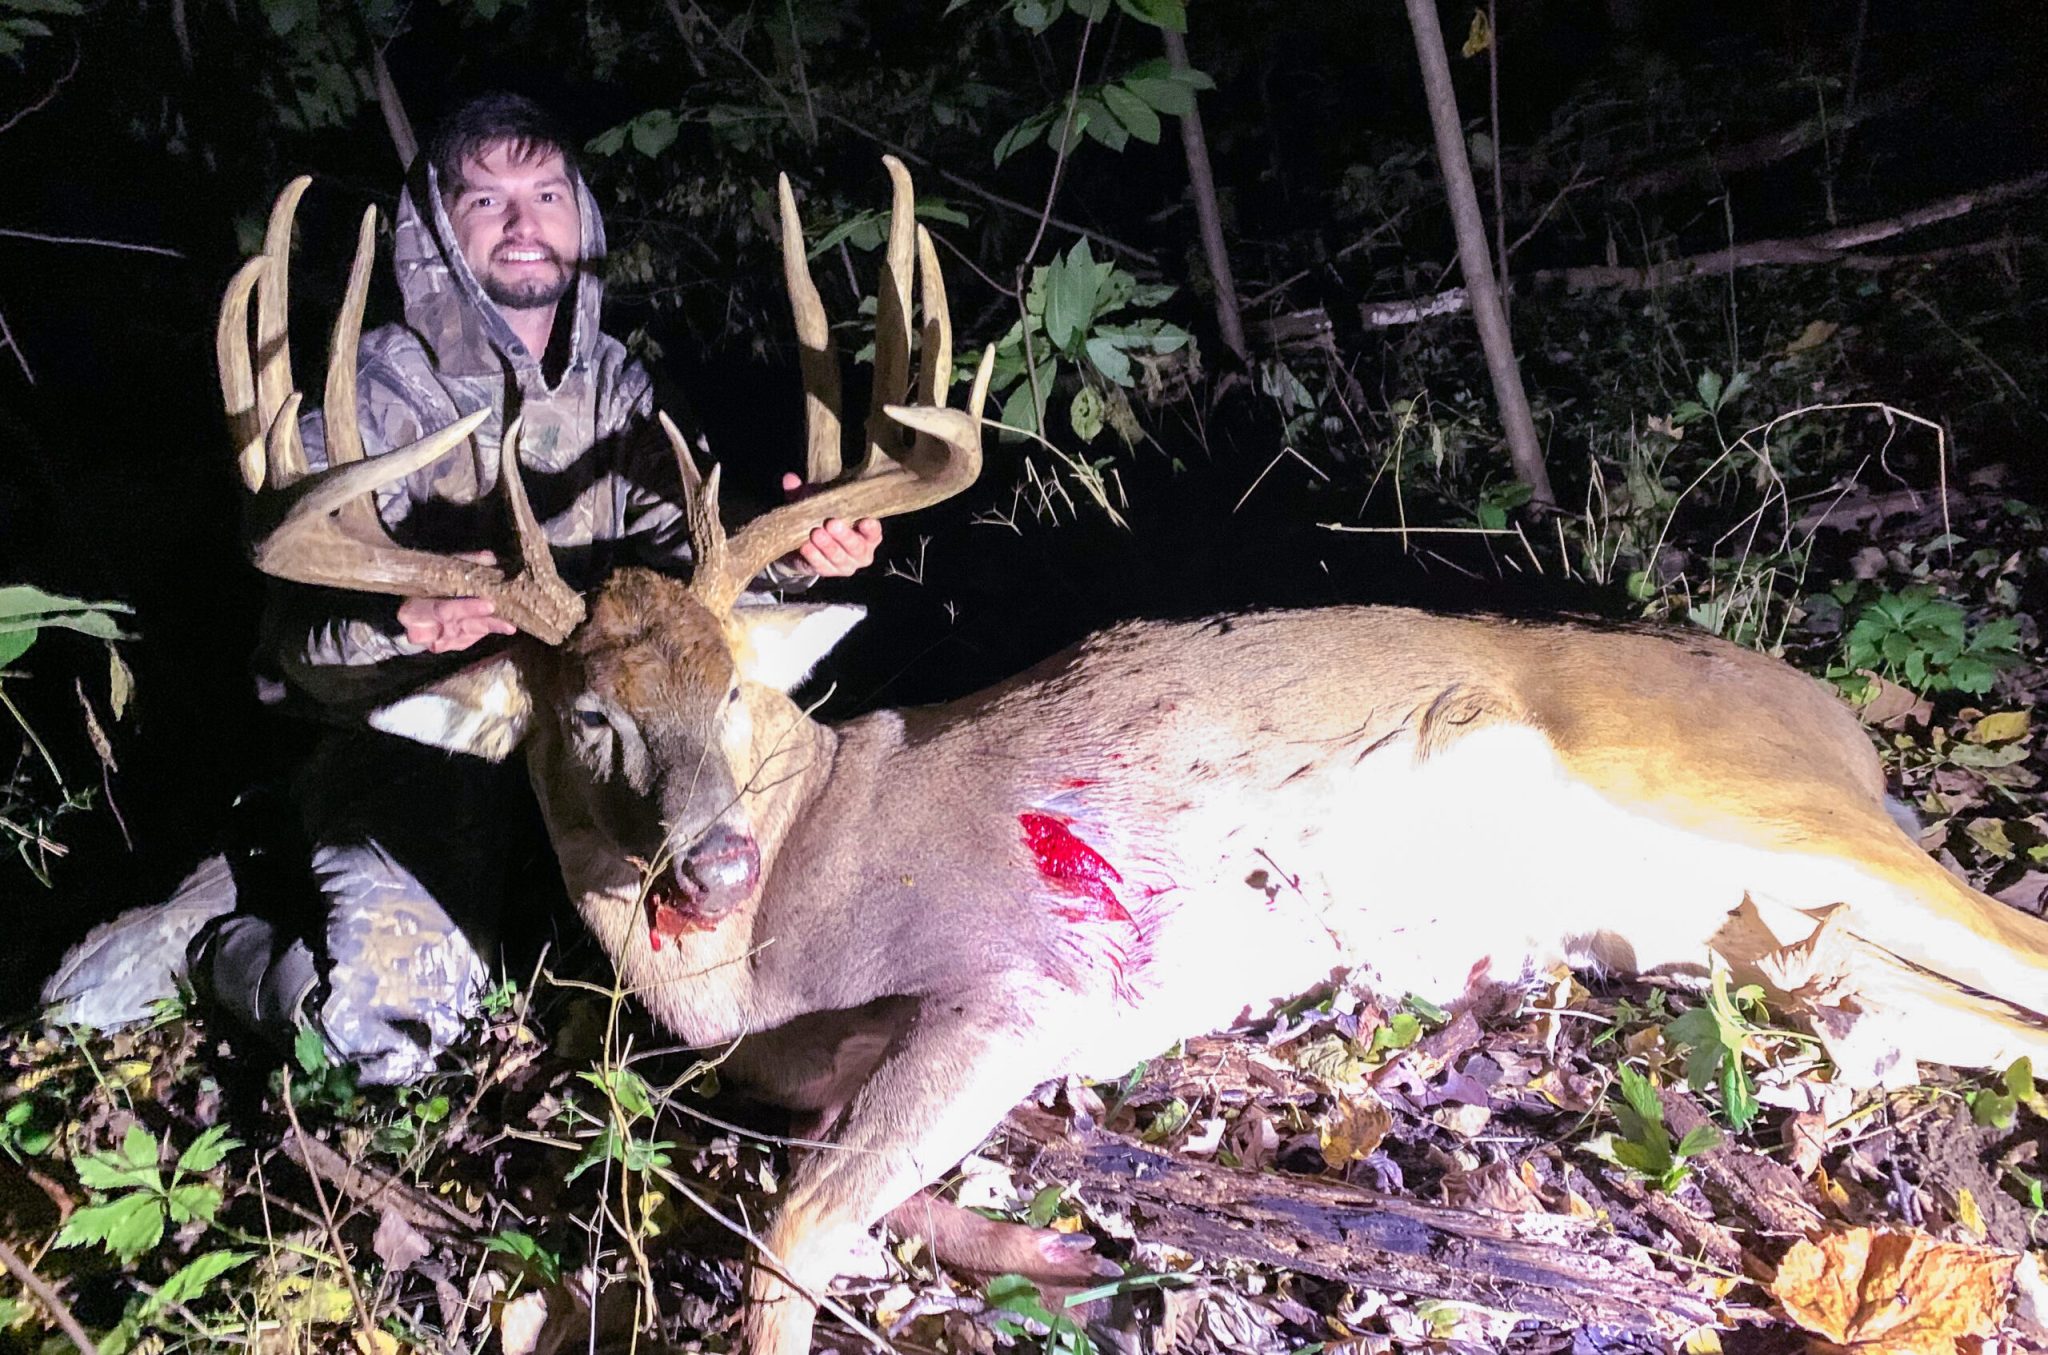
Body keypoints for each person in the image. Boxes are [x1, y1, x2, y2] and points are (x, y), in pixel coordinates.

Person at [42, 92, 881, 1083]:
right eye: (485, 202)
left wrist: (792, 553)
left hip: (594, 754)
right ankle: (216, 931)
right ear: (436, 231)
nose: (524, 222)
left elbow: (676, 552)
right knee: (391, 1036)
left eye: (545, 193)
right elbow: (292, 640)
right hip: (417, 745)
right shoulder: (385, 392)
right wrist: (405, 619)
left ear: (584, 220)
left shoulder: (616, 384)